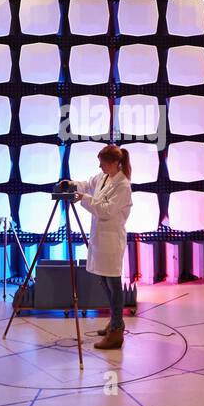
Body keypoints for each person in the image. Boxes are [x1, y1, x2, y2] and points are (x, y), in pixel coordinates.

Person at [65, 143, 133, 350]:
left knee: (113, 285)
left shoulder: (123, 185)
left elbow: (106, 211)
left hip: (112, 241)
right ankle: (114, 321)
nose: (100, 166)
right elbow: (87, 184)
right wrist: (71, 184)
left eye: (102, 163)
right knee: (104, 282)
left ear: (113, 163)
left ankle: (117, 330)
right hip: (101, 240)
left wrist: (84, 199)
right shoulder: (104, 177)